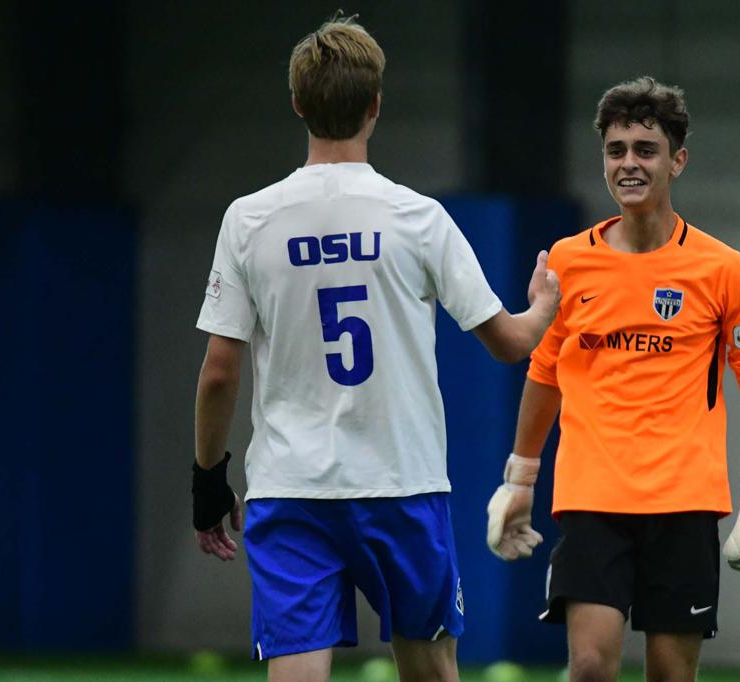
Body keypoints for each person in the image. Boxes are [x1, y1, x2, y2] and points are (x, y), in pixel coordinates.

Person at [191, 14, 560, 682]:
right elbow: (509, 343)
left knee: (295, 670)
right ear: (376, 106)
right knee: (430, 668)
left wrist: (208, 482)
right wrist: (544, 306)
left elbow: (220, 373)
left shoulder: (249, 219)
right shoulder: (418, 218)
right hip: (402, 484)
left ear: (298, 103)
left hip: (292, 488)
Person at [486, 76, 740, 682]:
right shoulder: (568, 261)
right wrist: (519, 478)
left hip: (686, 502)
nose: (628, 163)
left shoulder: (725, 269)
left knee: (671, 676)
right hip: (592, 500)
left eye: (645, 150)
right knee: (591, 667)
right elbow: (545, 374)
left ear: (677, 160)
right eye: (615, 150)